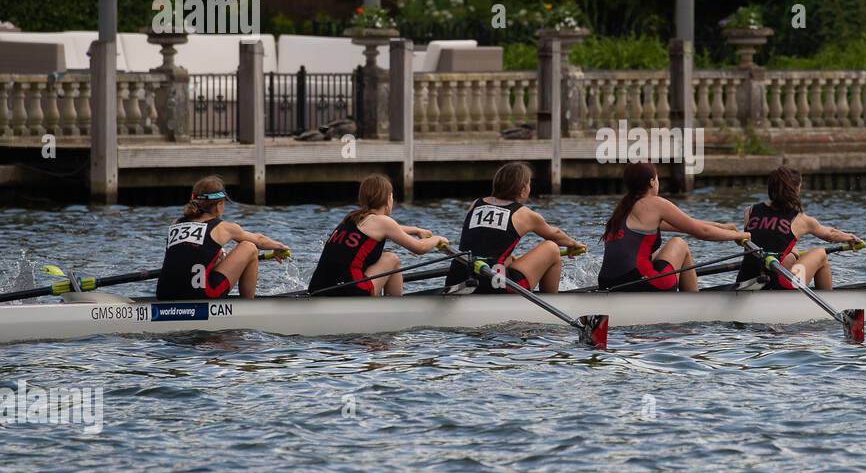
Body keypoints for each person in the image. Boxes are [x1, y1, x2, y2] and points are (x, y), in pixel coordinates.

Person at [598, 162, 747, 291]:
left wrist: (722, 227)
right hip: (639, 283)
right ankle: (692, 302)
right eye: (657, 178)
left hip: (607, 283)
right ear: (652, 182)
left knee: (654, 256)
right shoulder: (654, 203)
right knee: (679, 244)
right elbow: (703, 233)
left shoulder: (625, 207)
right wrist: (740, 235)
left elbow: (687, 224)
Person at [444, 162, 582, 294]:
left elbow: (484, 243)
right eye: (529, 184)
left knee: (510, 258)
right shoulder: (524, 214)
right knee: (551, 248)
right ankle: (553, 303)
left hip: (458, 278)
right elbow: (555, 234)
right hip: (495, 284)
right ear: (523, 189)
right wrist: (574, 244)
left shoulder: (476, 204)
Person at [307, 174, 447, 296]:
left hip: (318, 289)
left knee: (378, 258)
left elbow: (392, 229)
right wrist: (437, 239)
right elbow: (419, 248)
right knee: (391, 258)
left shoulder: (353, 217)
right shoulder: (383, 222)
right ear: (388, 199)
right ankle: (394, 309)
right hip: (350, 291)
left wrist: (416, 230)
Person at [156, 176, 290, 300]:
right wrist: (280, 247)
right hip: (201, 295)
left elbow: (190, 256)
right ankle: (249, 306)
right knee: (249, 247)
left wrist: (221, 257)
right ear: (219, 204)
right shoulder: (223, 228)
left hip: (164, 294)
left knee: (218, 254)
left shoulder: (175, 224)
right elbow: (259, 240)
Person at [736, 166, 860, 290]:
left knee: (790, 255)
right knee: (820, 253)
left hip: (745, 280)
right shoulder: (801, 220)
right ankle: (827, 302)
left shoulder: (750, 211)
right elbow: (829, 235)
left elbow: (767, 238)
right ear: (795, 189)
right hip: (778, 283)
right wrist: (850, 237)